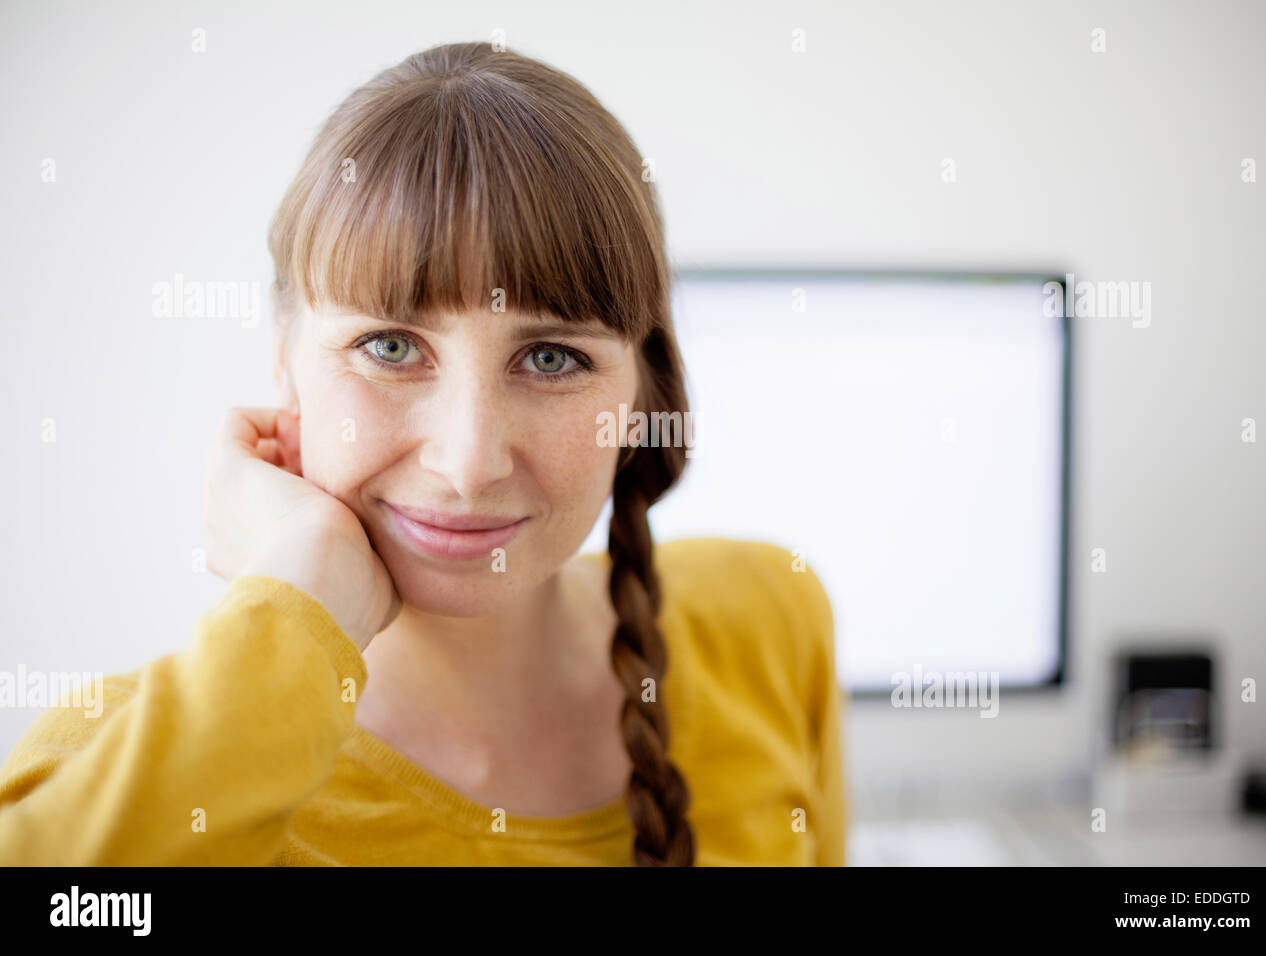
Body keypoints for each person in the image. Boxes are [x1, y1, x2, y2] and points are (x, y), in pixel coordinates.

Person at [0, 41, 846, 866]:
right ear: (285, 360)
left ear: (641, 397)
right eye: (391, 348)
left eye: (551, 358)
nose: (468, 462)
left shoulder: (768, 619)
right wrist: (299, 606)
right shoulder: (121, 773)